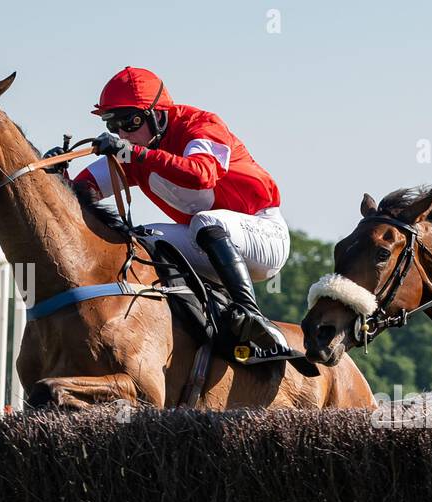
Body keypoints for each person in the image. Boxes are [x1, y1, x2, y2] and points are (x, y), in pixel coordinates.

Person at [67, 66, 297, 363]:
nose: (124, 134)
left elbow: (201, 175)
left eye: (130, 122)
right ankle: (192, 327)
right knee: (139, 241)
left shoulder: (201, 125)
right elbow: (80, 190)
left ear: (158, 114)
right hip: (208, 243)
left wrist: (134, 154)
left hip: (264, 235)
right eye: (115, 126)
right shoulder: (137, 150)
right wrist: (55, 177)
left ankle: (252, 317)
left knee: (206, 221)